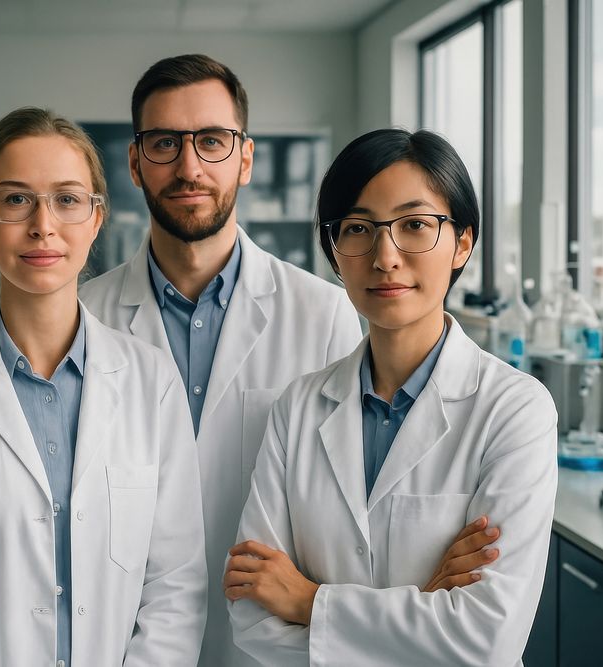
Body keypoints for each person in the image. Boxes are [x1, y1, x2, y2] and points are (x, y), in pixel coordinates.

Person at [0, 107, 207, 666]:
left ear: (96, 218)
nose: (42, 225)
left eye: (68, 199)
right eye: (15, 199)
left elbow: (175, 589)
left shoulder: (152, 382)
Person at [225, 128, 558, 666]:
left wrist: (310, 600)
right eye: (358, 228)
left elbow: (487, 637)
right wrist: (423, 610)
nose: (385, 256)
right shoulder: (298, 408)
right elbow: (253, 615)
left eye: (415, 225)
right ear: (335, 249)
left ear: (463, 243)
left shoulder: (515, 410)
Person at [78, 53, 363, 666]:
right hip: (126, 640)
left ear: (246, 157)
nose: (188, 167)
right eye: (163, 143)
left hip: (272, 645)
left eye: (211, 141)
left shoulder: (323, 315)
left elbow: (350, 513)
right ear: (134, 162)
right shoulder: (83, 318)